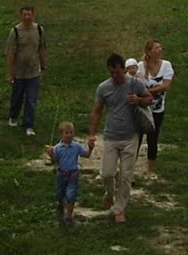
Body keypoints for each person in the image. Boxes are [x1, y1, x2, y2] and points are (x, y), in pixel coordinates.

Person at [87, 53, 152, 224]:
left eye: (118, 72)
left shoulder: (134, 84)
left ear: (124, 69)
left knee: (126, 176)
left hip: (130, 136)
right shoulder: (103, 88)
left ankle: (119, 208)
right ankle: (109, 193)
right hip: (111, 136)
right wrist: (92, 134)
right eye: (112, 73)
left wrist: (138, 100)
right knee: (107, 173)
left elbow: (149, 99)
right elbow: (97, 111)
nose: (115, 76)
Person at [5, 5, 47, 136]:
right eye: (25, 14)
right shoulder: (15, 31)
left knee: (31, 99)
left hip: (33, 71)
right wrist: (10, 73)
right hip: (19, 72)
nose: (27, 17)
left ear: (33, 15)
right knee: (17, 97)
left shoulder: (39, 30)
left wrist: (43, 66)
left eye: (29, 14)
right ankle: (13, 116)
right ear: (21, 16)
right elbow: (11, 54)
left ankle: (29, 124)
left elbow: (42, 49)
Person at [137, 40, 174, 180]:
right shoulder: (140, 67)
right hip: (141, 108)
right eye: (157, 48)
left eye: (160, 47)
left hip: (158, 109)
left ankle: (151, 170)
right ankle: (130, 168)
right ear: (149, 52)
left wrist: (146, 92)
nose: (160, 50)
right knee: (137, 138)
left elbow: (166, 86)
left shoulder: (166, 65)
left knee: (153, 138)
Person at [46, 121, 91, 225]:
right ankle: (61, 206)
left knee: (71, 195)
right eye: (67, 133)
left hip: (73, 174)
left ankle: (69, 216)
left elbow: (86, 155)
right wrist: (51, 155)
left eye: (71, 132)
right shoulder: (57, 148)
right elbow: (54, 161)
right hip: (61, 174)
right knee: (60, 194)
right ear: (61, 134)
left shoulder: (76, 146)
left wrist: (91, 148)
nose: (69, 135)